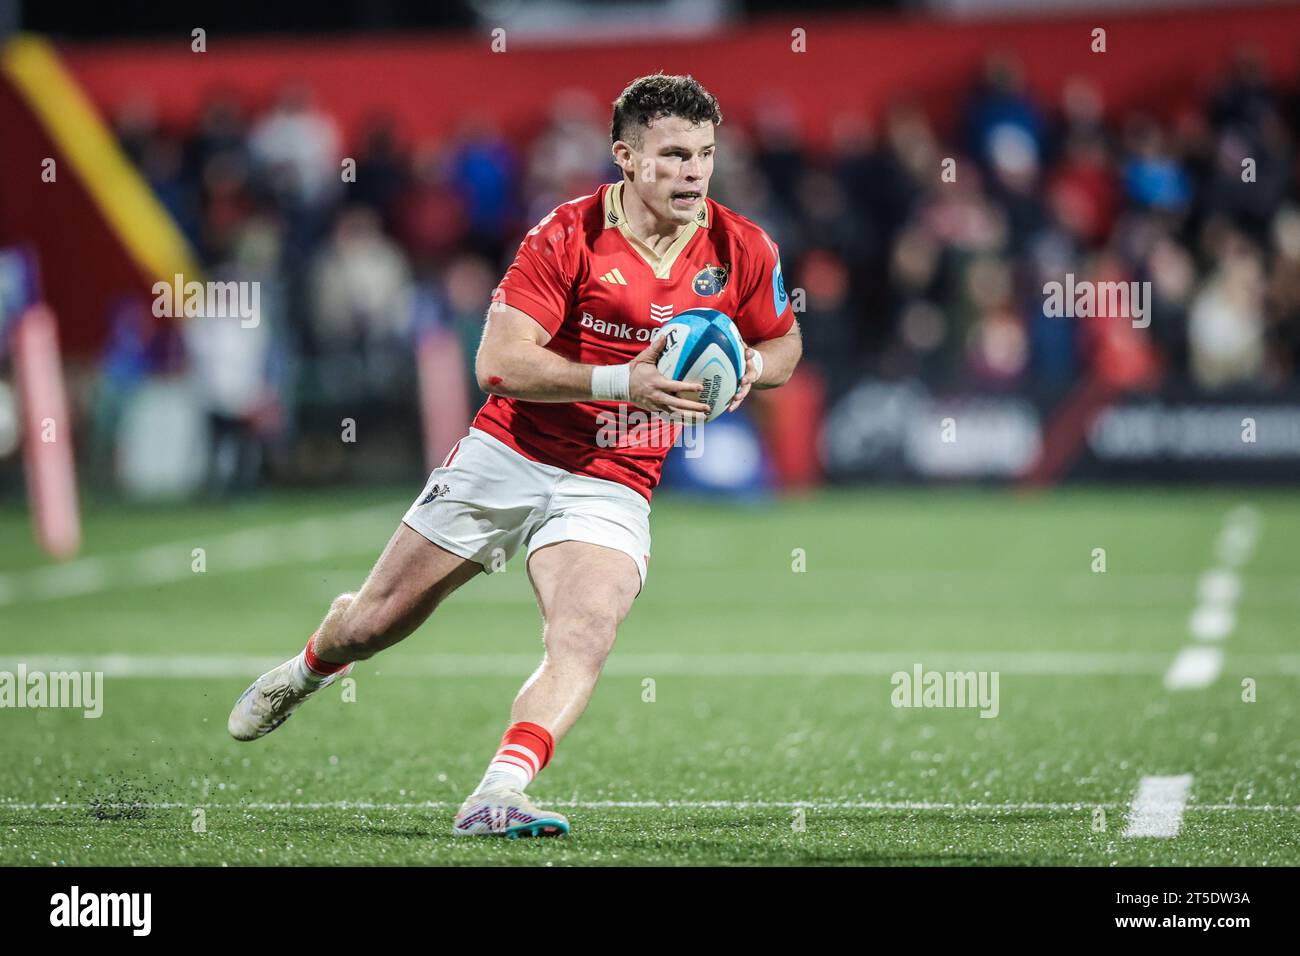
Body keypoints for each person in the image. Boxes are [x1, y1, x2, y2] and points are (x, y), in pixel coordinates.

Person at [228, 73, 803, 837]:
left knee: (586, 629)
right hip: (511, 450)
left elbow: (786, 341)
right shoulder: (564, 235)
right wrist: (621, 378)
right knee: (372, 624)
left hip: (615, 475)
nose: (694, 172)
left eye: (704, 154)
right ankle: (308, 669)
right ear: (625, 158)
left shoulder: (741, 246)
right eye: (672, 155)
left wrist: (751, 371)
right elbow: (497, 362)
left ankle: (497, 793)